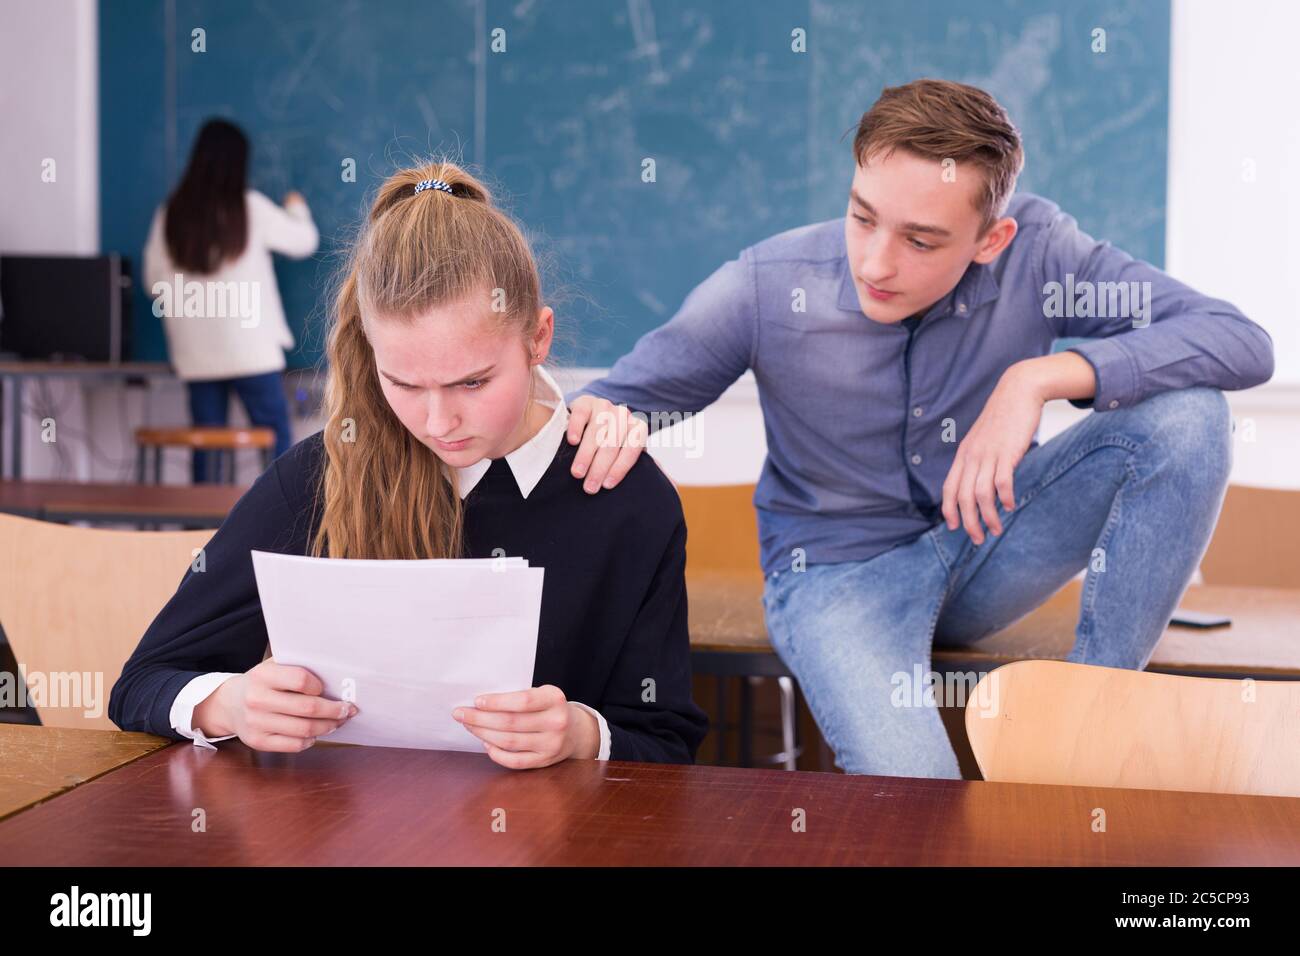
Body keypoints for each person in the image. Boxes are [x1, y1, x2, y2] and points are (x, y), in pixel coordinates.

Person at [560, 78, 1275, 778]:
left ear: (992, 239)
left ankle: (1097, 714)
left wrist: (1036, 380)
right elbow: (609, 408)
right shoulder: (764, 287)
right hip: (837, 581)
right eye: (862, 216)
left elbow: (1239, 340)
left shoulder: (1042, 256)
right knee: (916, 801)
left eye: (922, 241)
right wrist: (599, 422)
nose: (876, 262)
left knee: (1190, 416)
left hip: (990, 544)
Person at [111, 161, 708, 767]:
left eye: (473, 382)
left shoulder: (624, 497)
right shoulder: (323, 477)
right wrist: (230, 703)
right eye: (402, 382)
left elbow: (665, 743)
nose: (437, 422)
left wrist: (582, 736)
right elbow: (141, 685)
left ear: (539, 337)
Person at [143, 117, 318, 482]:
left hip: (195, 357)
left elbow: (152, 282)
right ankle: (282, 527)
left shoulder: (171, 214)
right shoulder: (249, 208)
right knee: (276, 442)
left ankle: (202, 531)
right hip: (251, 351)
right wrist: (297, 208)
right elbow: (304, 241)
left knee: (207, 444)